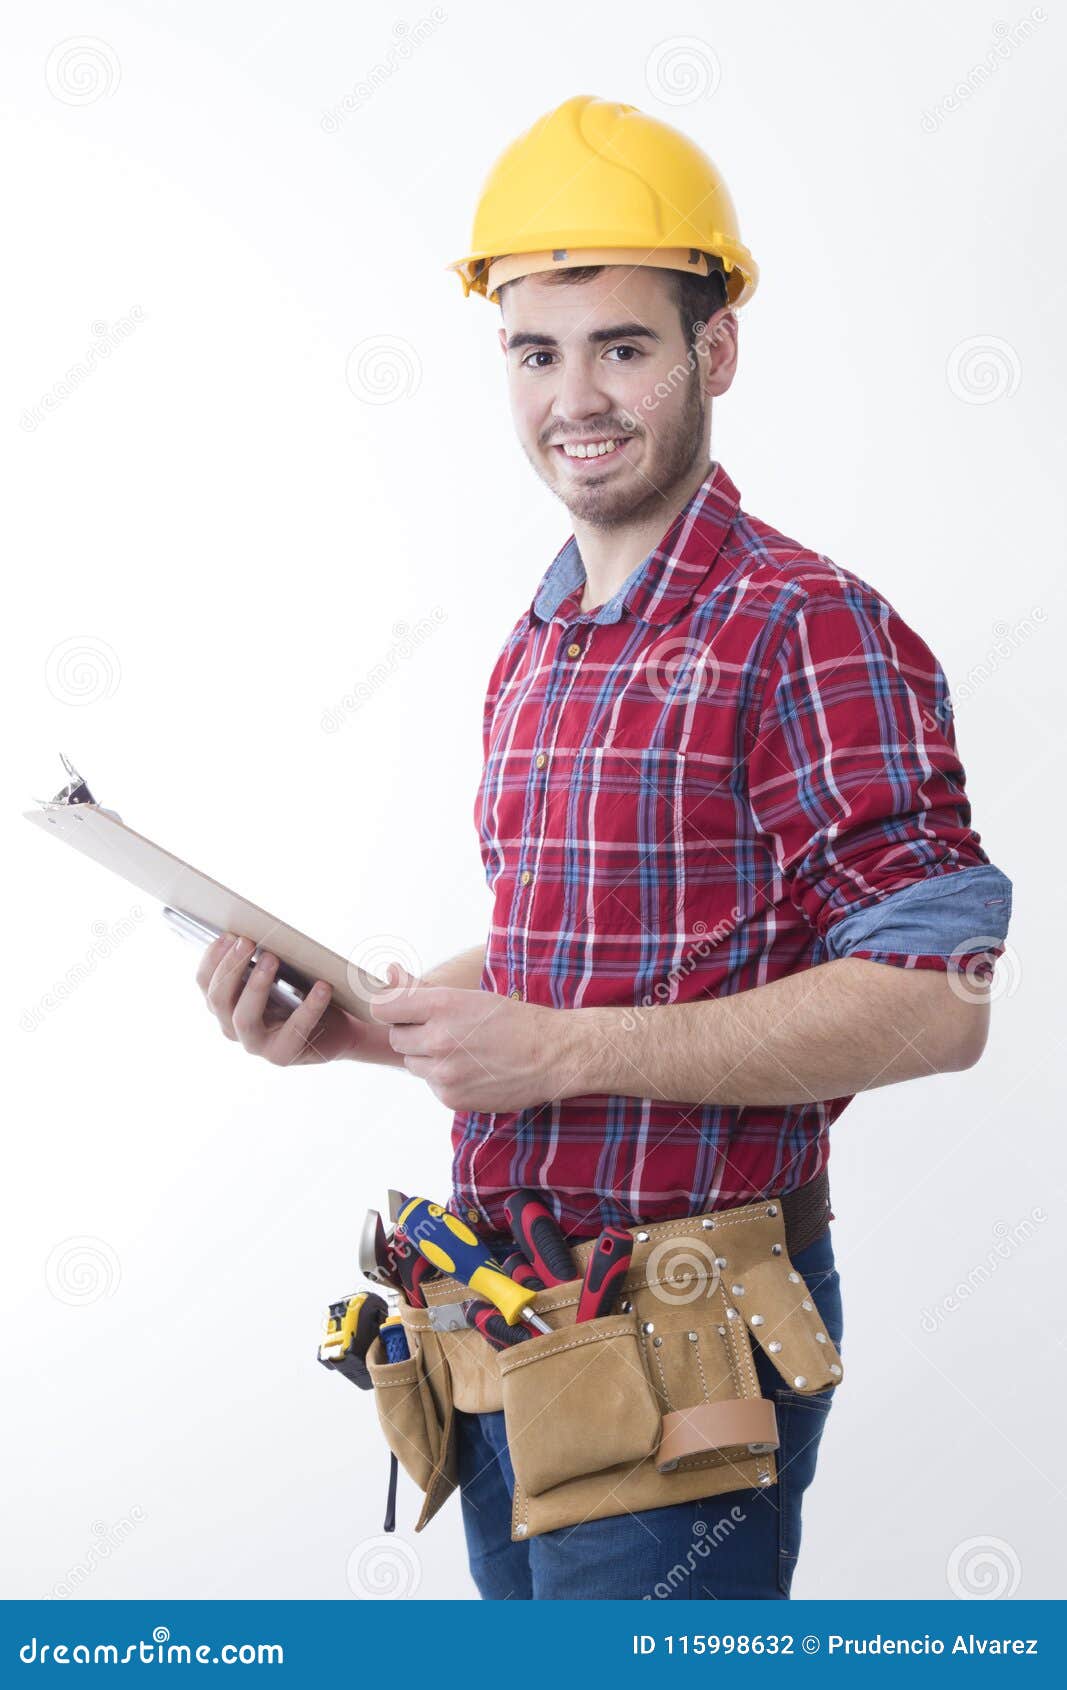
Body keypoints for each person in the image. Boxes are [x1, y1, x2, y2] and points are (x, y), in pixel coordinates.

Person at [196, 96, 1013, 1600]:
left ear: (716, 351)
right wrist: (357, 1028)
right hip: (508, 1315)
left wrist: (558, 1052)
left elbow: (941, 993)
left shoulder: (803, 627)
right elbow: (573, 959)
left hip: (686, 1327)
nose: (576, 393)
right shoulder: (548, 634)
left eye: (623, 345)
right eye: (535, 349)